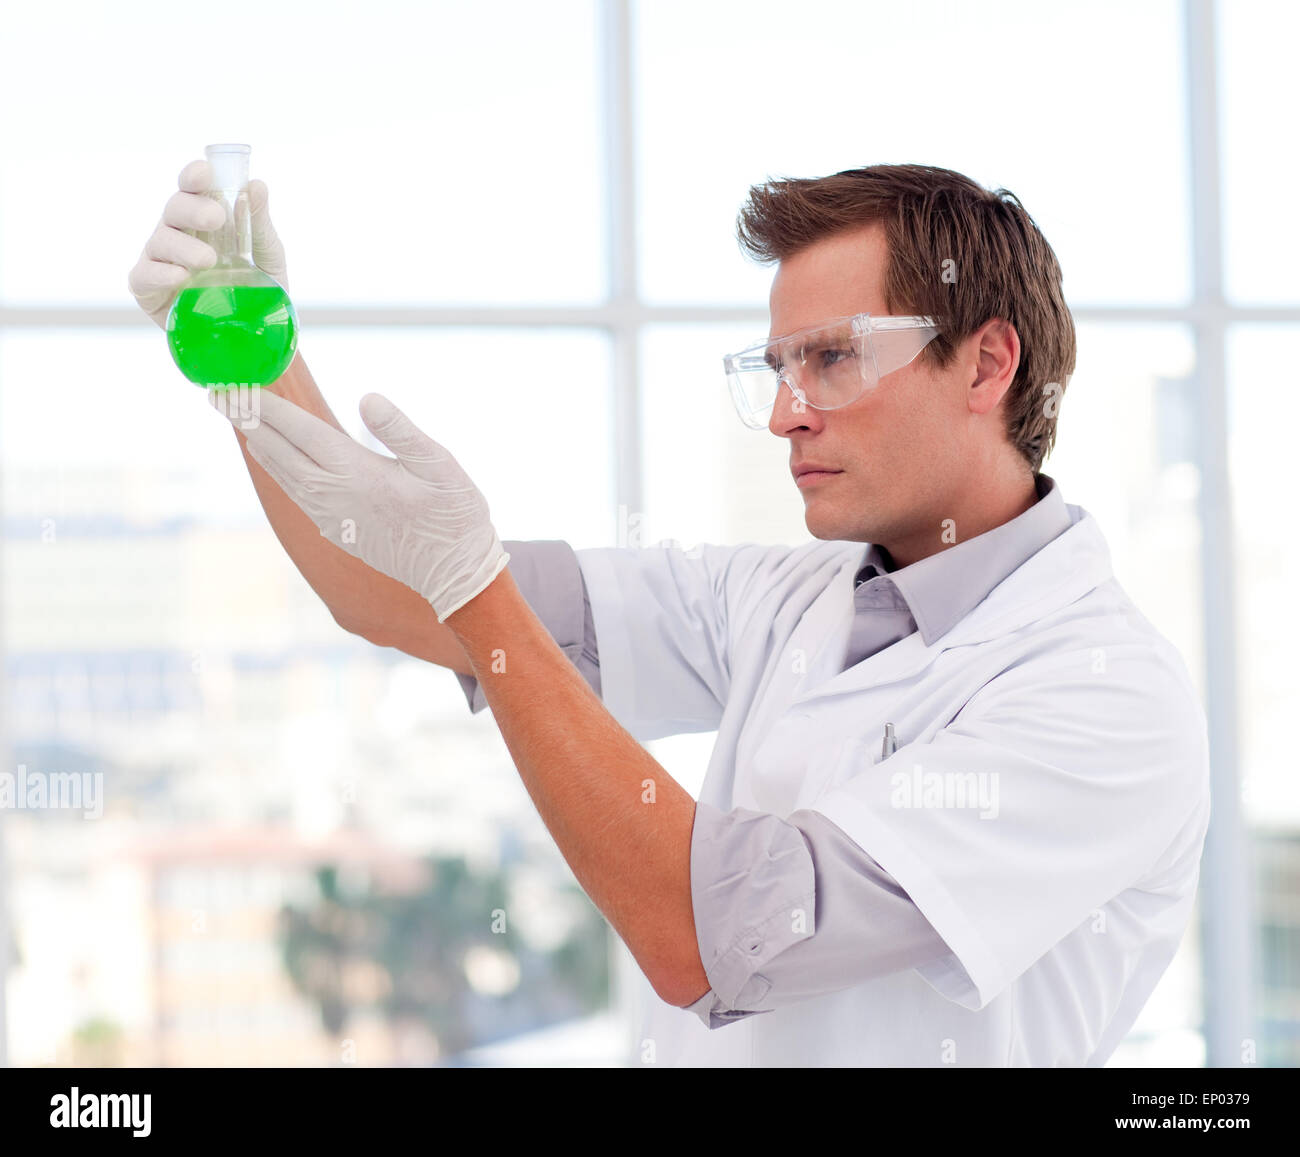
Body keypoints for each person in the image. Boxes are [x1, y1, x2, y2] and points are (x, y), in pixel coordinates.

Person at [129, 161, 1211, 1067]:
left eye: (832, 356)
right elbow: (392, 593)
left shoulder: (1103, 697)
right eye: (778, 367)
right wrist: (249, 364)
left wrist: (474, 588)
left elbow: (704, 936)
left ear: (985, 361)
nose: (787, 413)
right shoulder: (778, 597)